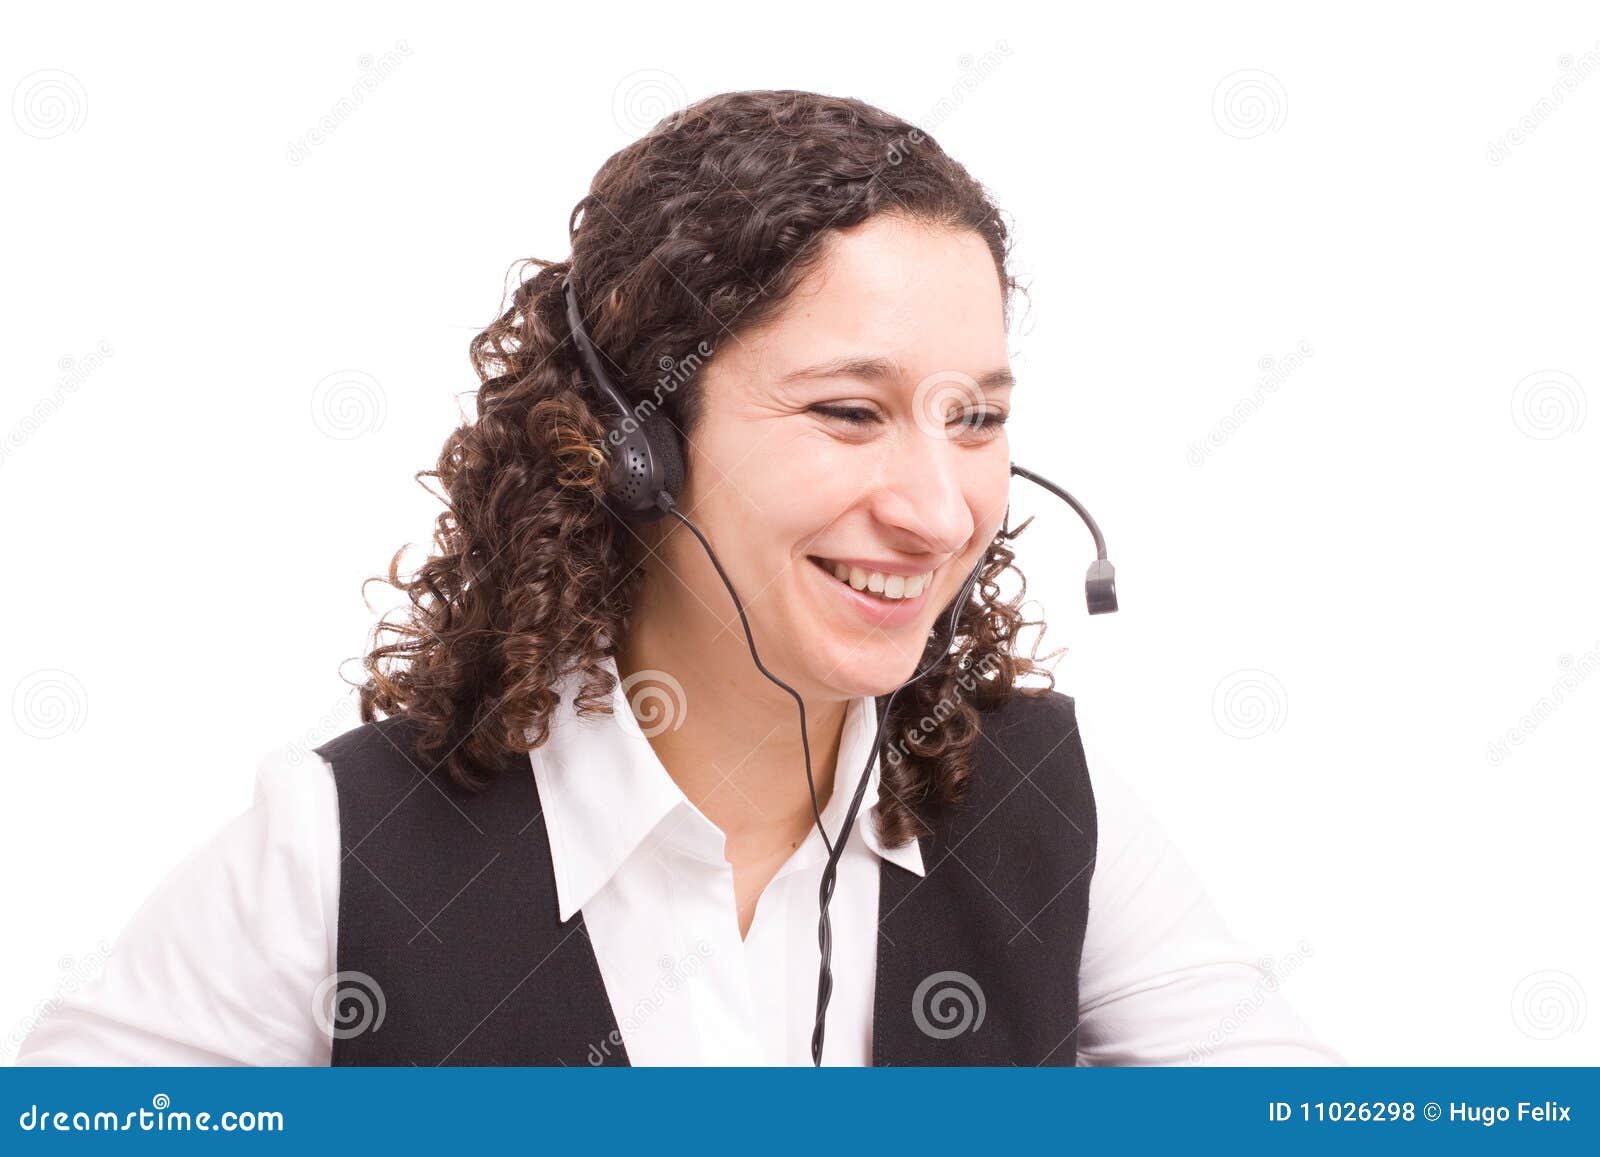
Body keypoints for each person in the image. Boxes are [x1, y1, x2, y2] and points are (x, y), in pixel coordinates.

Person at [15, 89, 1343, 1067]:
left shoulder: (1050, 813)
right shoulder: (337, 849)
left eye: (978, 419)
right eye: (849, 412)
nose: (943, 511)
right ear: (636, 445)